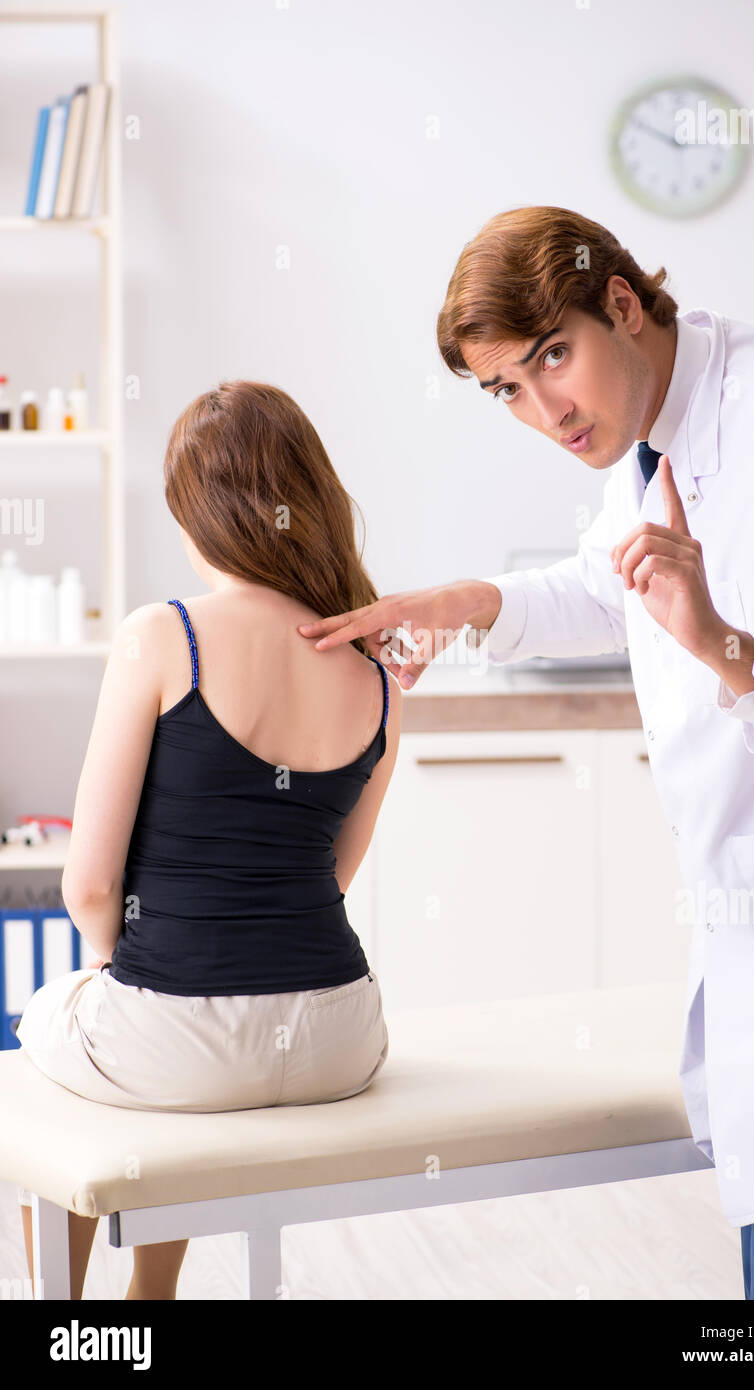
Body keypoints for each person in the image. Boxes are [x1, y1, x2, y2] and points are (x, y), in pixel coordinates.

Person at [297, 205, 754, 1301]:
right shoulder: (650, 431)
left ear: (621, 302)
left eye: (553, 356)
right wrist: (473, 603)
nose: (544, 408)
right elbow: (614, 585)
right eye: (507, 386)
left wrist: (724, 644)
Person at [16, 380, 401, 1300]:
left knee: (43, 1035)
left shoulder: (165, 636)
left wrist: (140, 969)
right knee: (158, 1036)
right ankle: (152, 1295)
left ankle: (66, 1324)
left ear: (200, 514)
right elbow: (332, 876)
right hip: (339, 1035)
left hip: (181, 1037)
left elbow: (88, 892)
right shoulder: (375, 674)